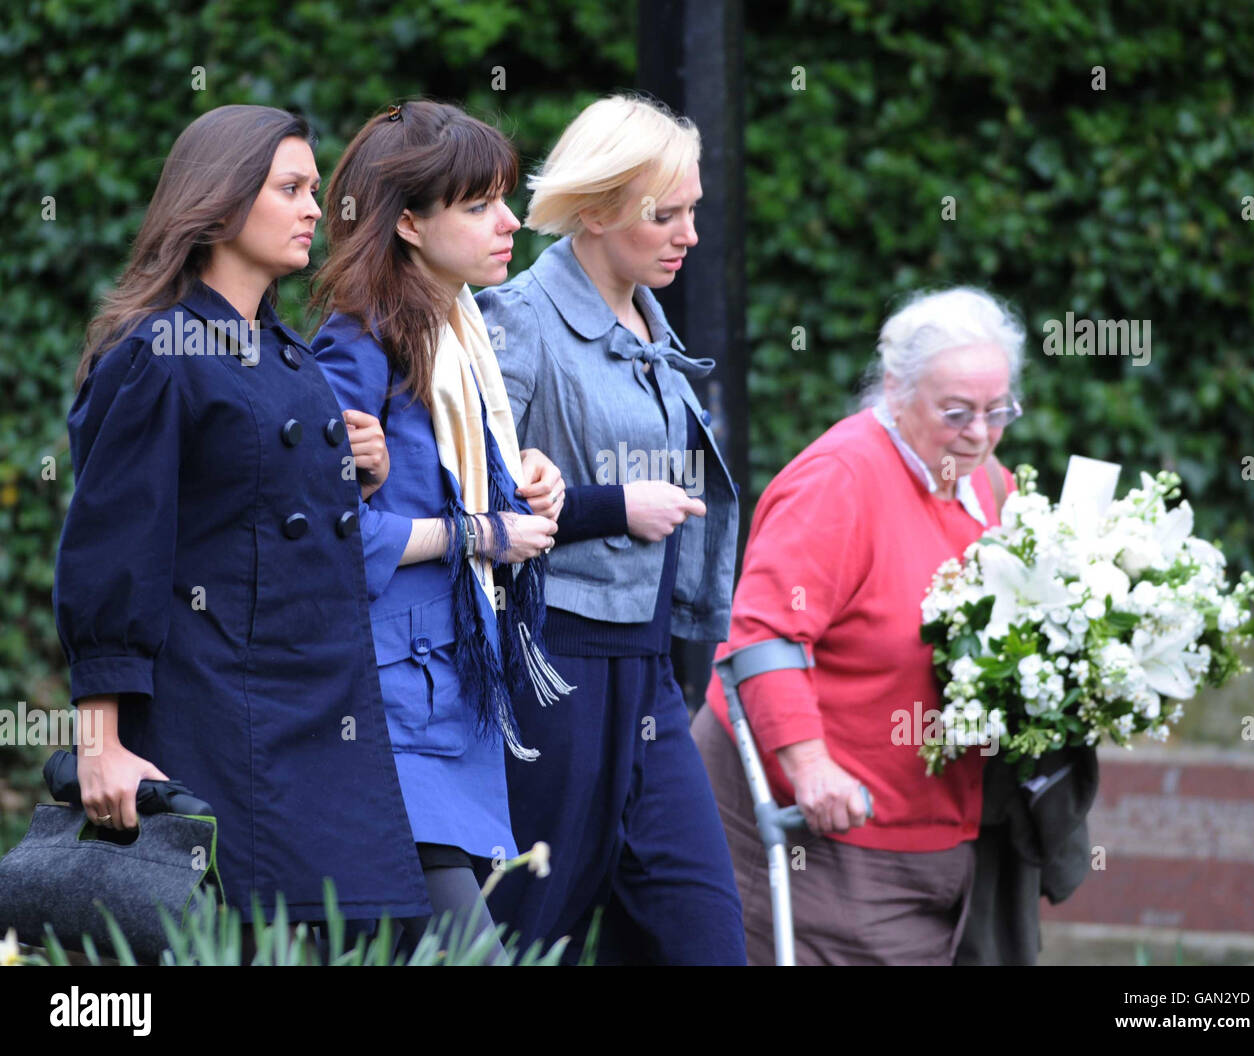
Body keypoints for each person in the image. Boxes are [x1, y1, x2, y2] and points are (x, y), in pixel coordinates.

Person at [54, 105, 430, 943]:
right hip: (220, 726)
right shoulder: (160, 354)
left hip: (320, 724)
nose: (312, 210)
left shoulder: (288, 354)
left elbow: (271, 520)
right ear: (220, 203)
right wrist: (98, 744)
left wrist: (358, 473)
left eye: (311, 189)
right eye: (289, 189)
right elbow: (111, 554)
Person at [476, 93, 745, 965]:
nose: (689, 234)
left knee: (701, 937)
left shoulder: (649, 327)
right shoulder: (515, 322)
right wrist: (612, 507)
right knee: (525, 934)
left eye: (693, 210)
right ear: (593, 211)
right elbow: (477, 500)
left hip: (650, 675)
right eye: (663, 215)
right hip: (552, 673)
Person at [690, 286, 1025, 965]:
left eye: (998, 411)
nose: (981, 433)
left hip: (935, 825)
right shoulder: (840, 479)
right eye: (956, 412)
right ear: (896, 391)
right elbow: (765, 635)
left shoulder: (988, 482)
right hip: (830, 833)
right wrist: (810, 766)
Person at [309, 99, 568, 958]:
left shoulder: (459, 332)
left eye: (505, 197)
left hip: (449, 690)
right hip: (387, 708)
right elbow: (331, 541)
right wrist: (481, 534)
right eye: (479, 205)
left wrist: (528, 479)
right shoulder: (357, 344)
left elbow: (454, 476)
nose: (511, 221)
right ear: (410, 223)